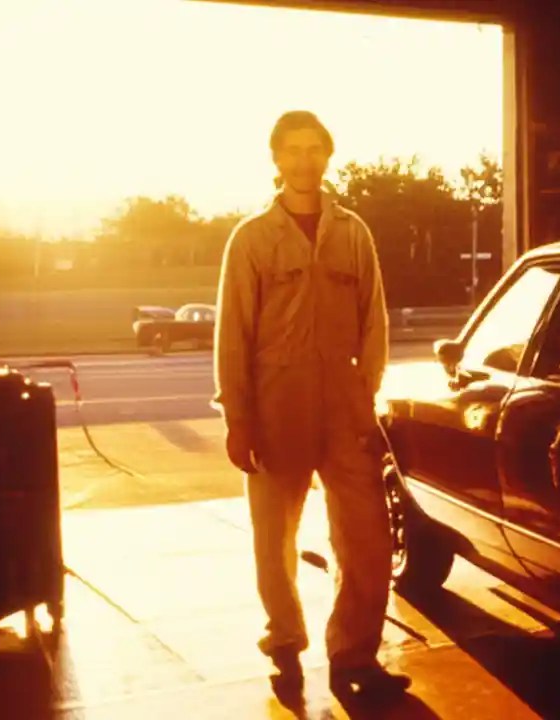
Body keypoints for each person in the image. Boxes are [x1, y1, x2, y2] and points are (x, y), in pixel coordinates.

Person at [212, 111, 407, 702]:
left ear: (327, 155)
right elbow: (232, 333)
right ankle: (284, 643)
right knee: (274, 538)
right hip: (276, 406)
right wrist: (238, 418)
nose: (303, 160)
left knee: (368, 537)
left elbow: (374, 319)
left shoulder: (353, 233)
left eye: (313, 149)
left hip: (346, 407)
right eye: (292, 151)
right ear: (276, 159)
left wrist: (365, 395)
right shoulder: (251, 238)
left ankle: (354, 652)